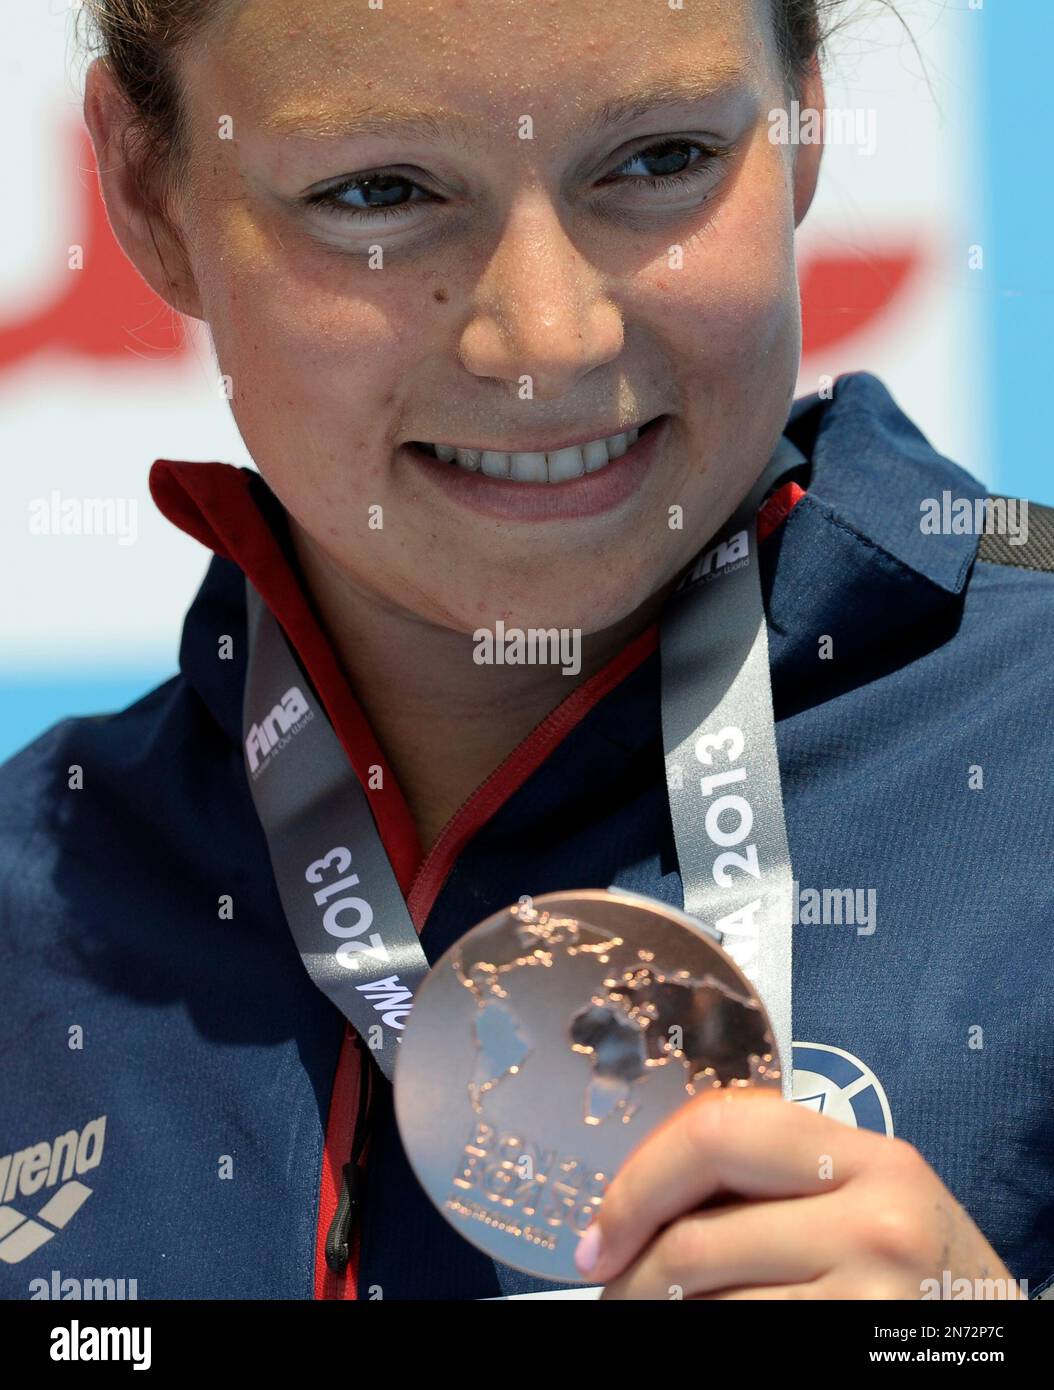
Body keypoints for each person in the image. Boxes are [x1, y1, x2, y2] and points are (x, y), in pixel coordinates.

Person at [1, 0, 1050, 1302]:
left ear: (802, 123)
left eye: (660, 158)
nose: (550, 340)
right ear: (149, 193)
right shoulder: (32, 915)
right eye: (378, 191)